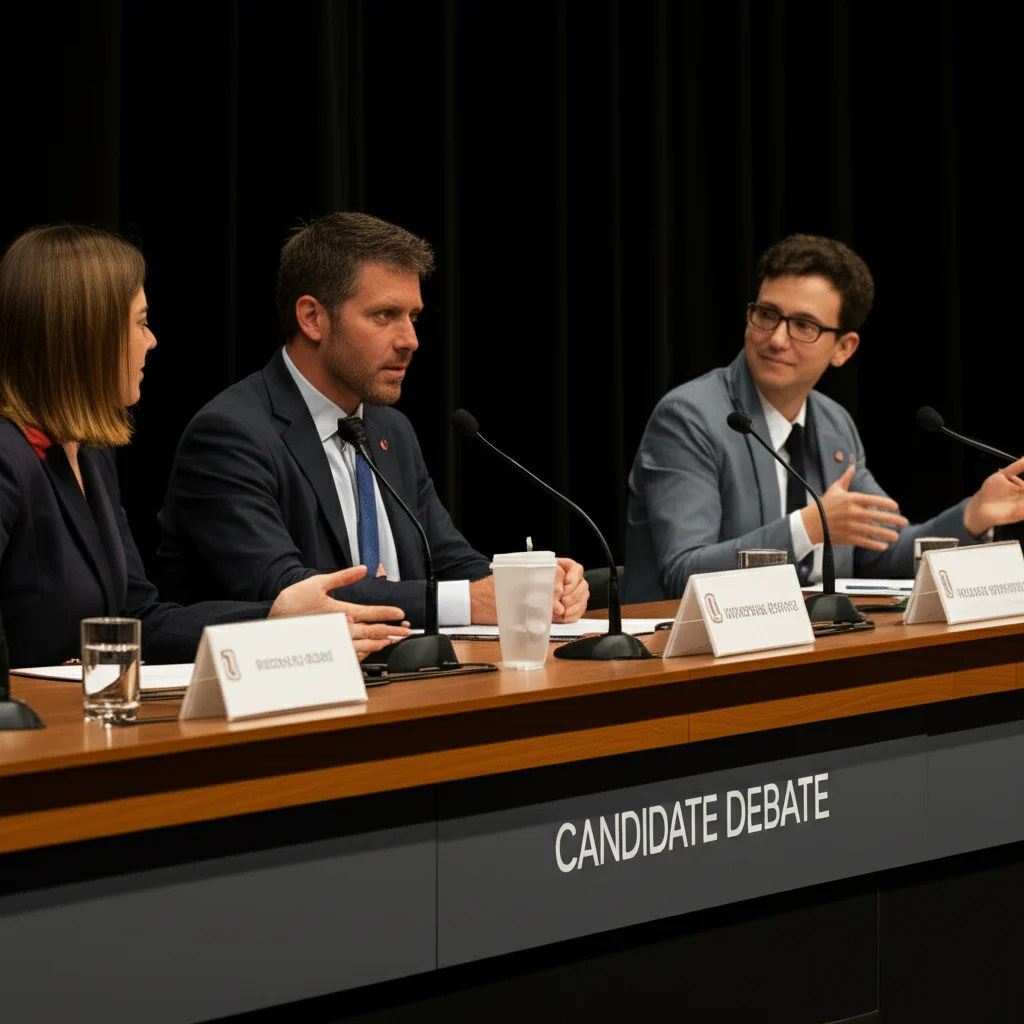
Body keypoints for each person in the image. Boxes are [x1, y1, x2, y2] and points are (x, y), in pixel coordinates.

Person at [0, 225, 411, 668]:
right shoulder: (9, 456)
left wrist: (278, 622)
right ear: (83, 335)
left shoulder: (90, 453)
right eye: (140, 322)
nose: (152, 340)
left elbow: (138, 620)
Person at [157, 212, 589, 627]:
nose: (411, 341)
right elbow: (292, 595)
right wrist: (473, 600)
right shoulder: (232, 435)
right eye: (385, 316)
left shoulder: (389, 429)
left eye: (413, 317)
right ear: (312, 318)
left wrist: (533, 584)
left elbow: (452, 561)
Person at [624, 233, 1024, 602]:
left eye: (803, 325)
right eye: (766, 314)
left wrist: (972, 516)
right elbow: (682, 574)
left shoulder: (834, 426)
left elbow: (886, 552)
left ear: (844, 348)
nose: (777, 338)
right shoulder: (690, 418)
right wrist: (808, 529)